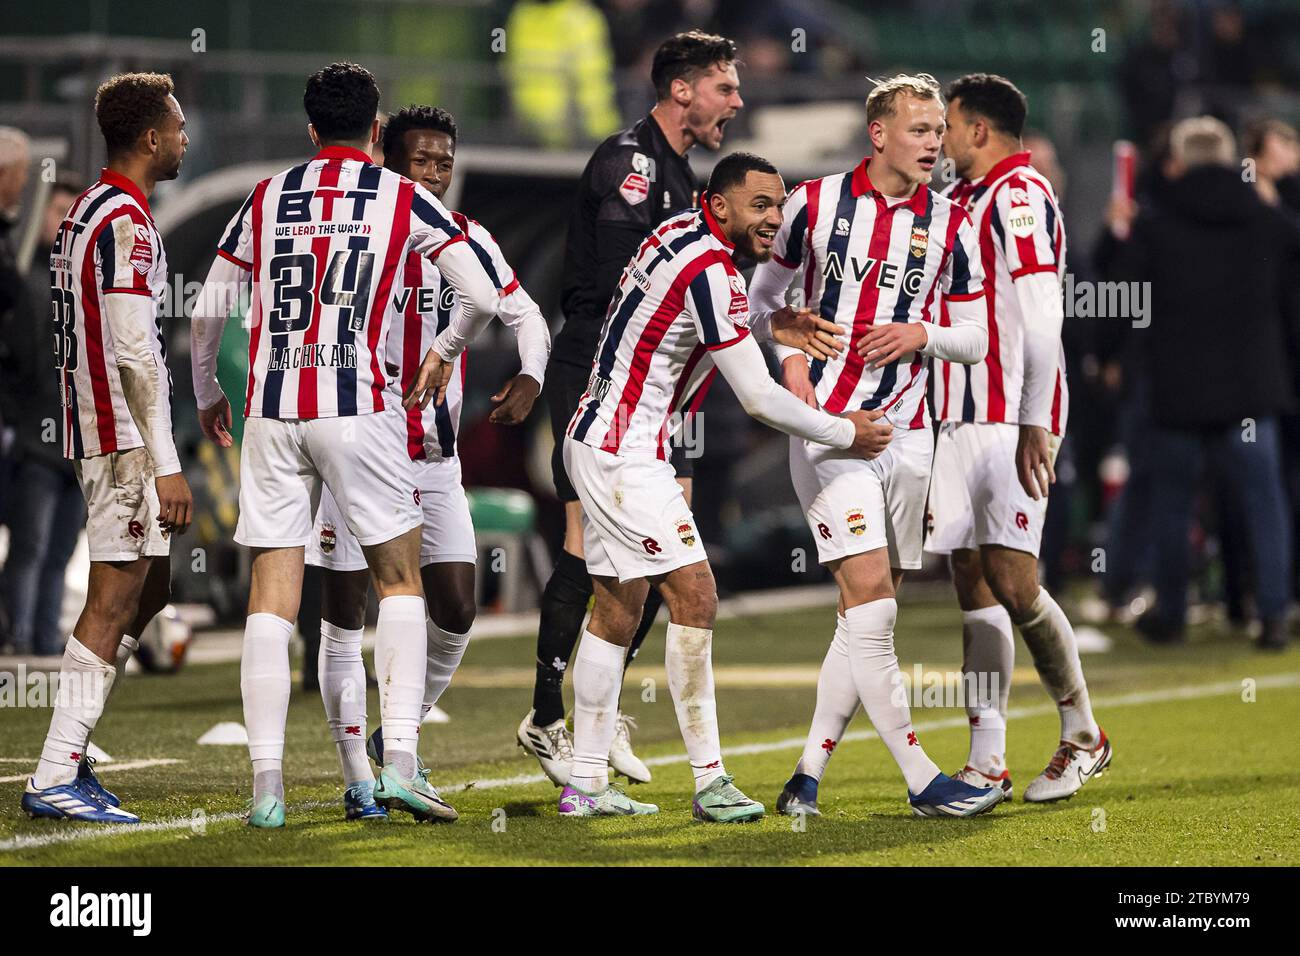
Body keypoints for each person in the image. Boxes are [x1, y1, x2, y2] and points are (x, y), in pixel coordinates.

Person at [522, 30, 839, 785]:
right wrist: (838, 427)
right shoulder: (631, 164)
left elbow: (689, 303)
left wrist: (762, 321)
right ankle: (549, 718)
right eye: (726, 88)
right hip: (610, 382)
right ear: (682, 89)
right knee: (595, 554)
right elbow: (634, 299)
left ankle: (597, 737)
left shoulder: (686, 179)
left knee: (656, 571)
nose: (738, 100)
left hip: (659, 397)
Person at [189, 62, 499, 827]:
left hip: (271, 407)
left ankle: (267, 788)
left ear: (308, 129)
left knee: (272, 595)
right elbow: (483, 295)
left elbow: (206, 313)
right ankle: (398, 767)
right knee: (399, 581)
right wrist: (446, 348)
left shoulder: (267, 195)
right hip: (359, 407)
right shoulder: (399, 196)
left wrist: (207, 394)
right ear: (376, 130)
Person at [557, 151, 882, 820]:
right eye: (761, 205)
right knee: (697, 596)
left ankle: (584, 783)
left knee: (617, 610)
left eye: (782, 204)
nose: (775, 217)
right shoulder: (713, 268)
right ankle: (709, 782)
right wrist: (844, 431)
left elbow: (679, 316)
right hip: (626, 452)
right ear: (723, 203)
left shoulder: (675, 233)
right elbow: (759, 397)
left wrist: (766, 322)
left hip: (600, 439)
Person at [752, 74, 1003, 819]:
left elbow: (978, 337)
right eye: (920, 129)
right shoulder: (815, 204)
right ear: (881, 133)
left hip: (909, 434)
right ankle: (924, 780)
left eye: (939, 130)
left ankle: (805, 774)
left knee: (868, 609)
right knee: (869, 597)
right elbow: (764, 303)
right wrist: (796, 376)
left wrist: (922, 334)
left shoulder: (952, 223)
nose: (934, 142)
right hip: (831, 429)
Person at [302, 104, 551, 819]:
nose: (437, 174)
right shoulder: (359, 237)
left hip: (435, 459)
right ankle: (359, 778)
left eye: (445, 161)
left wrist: (531, 373)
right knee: (344, 615)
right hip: (359, 448)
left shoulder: (467, 239)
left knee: (456, 608)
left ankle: (393, 737)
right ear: (387, 161)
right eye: (422, 161)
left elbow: (523, 312)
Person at [926, 73, 1110, 801]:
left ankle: (1084, 733)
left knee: (1013, 579)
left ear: (978, 129)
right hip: (961, 416)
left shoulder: (1020, 194)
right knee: (970, 577)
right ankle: (986, 760)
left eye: (947, 125)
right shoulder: (962, 198)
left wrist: (1038, 418)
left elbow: (1040, 316)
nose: (939, 138)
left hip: (1011, 416)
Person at [21, 74, 192, 824]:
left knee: (148, 590)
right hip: (120, 437)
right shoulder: (124, 221)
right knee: (115, 596)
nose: (186, 138)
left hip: (99, 430)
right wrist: (166, 460)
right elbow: (131, 351)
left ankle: (71, 746)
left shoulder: (86, 209)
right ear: (150, 137)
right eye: (178, 127)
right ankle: (56, 770)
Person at [1107, 116, 1297, 651]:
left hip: (1179, 392)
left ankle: (1171, 614)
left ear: (1181, 160)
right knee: (1265, 504)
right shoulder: (1265, 221)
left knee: (1172, 504)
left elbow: (1119, 301)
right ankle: (1274, 615)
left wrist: (1104, 356)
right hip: (1253, 390)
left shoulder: (1156, 225)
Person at [2, 175, 88, 656]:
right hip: (36, 443)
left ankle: (44, 639)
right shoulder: (23, 282)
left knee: (59, 552)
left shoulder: (79, 286)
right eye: (57, 214)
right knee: (31, 548)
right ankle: (18, 640)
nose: (63, 226)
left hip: (76, 447)